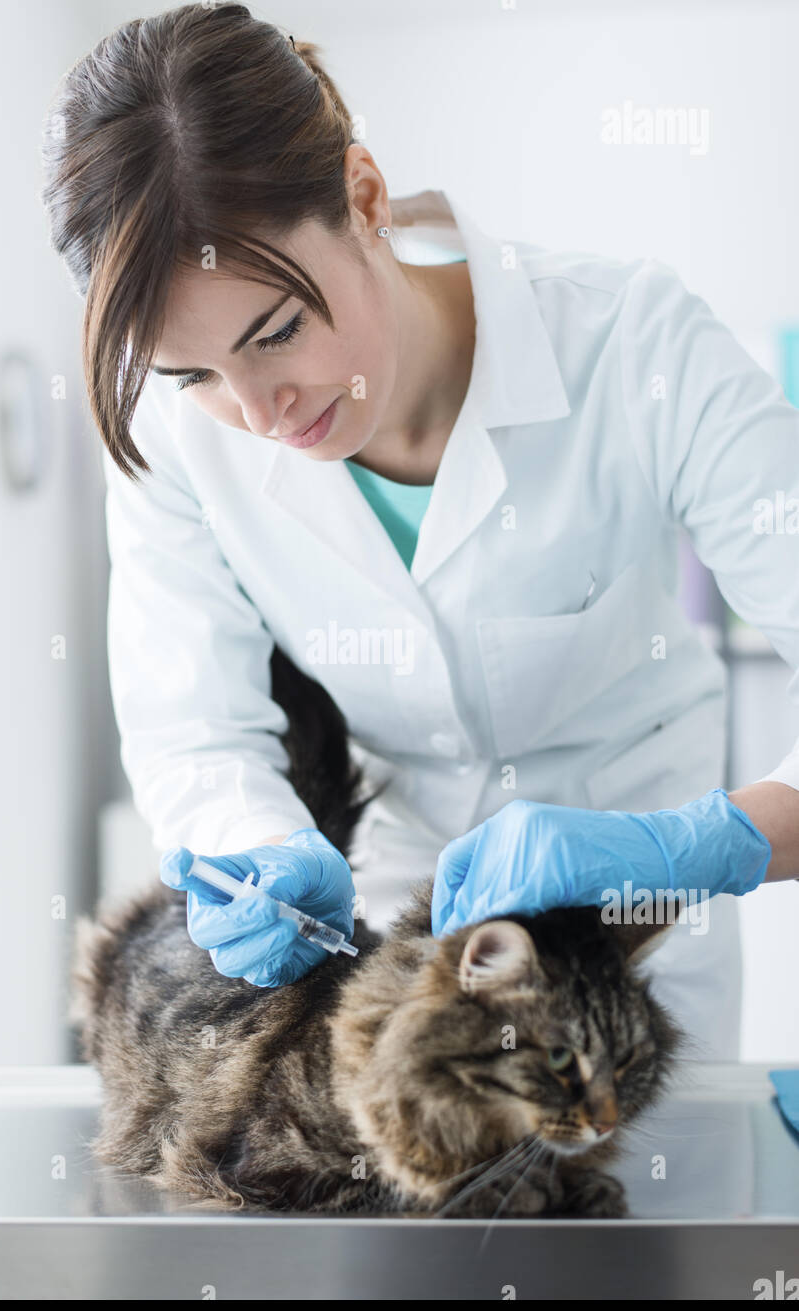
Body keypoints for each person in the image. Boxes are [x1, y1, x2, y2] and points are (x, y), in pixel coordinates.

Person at [40, 4, 799, 1060]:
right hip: (390, 931)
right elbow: (192, 733)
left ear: (363, 195)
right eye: (196, 373)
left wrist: (694, 845)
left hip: (639, 944)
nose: (261, 414)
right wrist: (253, 845)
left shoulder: (632, 346)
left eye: (278, 331)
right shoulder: (181, 444)